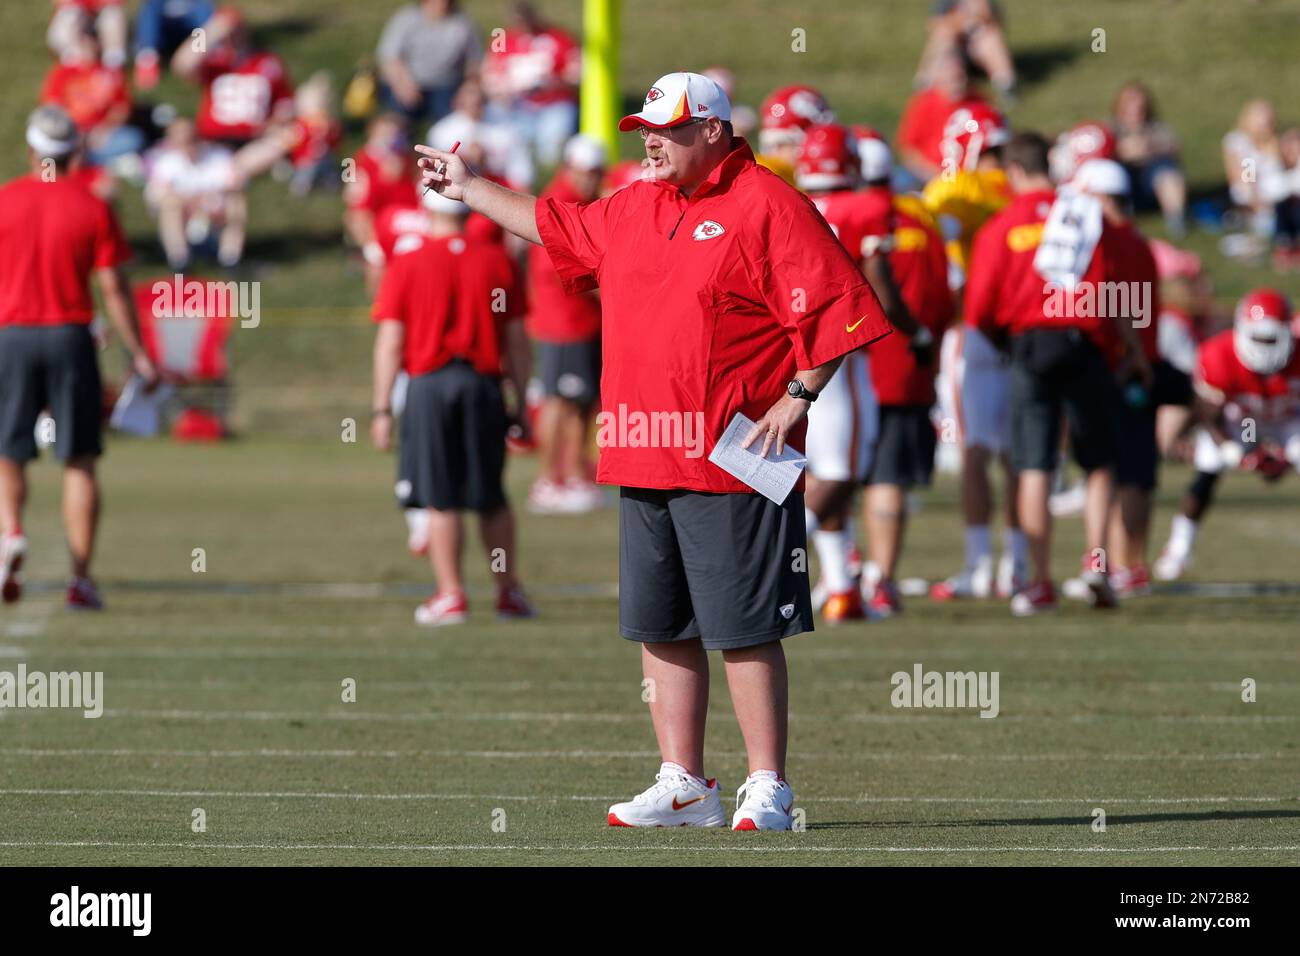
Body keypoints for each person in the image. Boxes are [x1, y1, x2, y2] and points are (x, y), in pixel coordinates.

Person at [416, 71, 890, 830]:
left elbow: (838, 307)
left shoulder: (770, 203)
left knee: (744, 627)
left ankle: (768, 783)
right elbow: (554, 226)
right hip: (642, 450)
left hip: (732, 455)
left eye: (666, 131)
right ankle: (684, 780)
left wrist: (796, 398)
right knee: (660, 624)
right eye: (645, 130)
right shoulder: (635, 204)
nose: (651, 143)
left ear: (712, 131)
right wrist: (469, 188)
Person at [964, 132, 1150, 616]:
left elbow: (979, 306)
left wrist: (1009, 341)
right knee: (1099, 460)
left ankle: (1039, 579)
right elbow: (1112, 290)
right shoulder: (1088, 213)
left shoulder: (1001, 224)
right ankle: (1095, 561)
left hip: (1030, 345)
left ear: (1015, 173)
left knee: (1033, 464)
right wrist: (1132, 351)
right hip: (1084, 343)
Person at [0, 107, 159, 610]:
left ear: (32, 152)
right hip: (71, 336)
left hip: (13, 336)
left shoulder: (5, 201)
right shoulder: (92, 206)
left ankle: (11, 533)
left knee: (9, 451)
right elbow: (113, 288)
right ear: (75, 154)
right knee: (80, 459)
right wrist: (139, 353)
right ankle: (81, 579)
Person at [369, 187, 534, 625]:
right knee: (492, 497)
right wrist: (519, 400)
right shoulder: (496, 258)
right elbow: (517, 341)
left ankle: (451, 594)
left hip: (429, 384)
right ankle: (507, 591)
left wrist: (381, 408)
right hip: (482, 384)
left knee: (440, 498)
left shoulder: (407, 261)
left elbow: (390, 342)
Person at [922, 104, 1026, 601]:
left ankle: (982, 566)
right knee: (1014, 454)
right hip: (1019, 331)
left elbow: (941, 264)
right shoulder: (1018, 192)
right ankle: (1019, 566)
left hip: (973, 330)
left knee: (978, 452)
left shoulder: (950, 193)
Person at [1062, 159, 1165, 600]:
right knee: (1134, 469)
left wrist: (1130, 354)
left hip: (1117, 362)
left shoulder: (1112, 240)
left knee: (1112, 466)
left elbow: (1114, 304)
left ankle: (1111, 563)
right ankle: (1130, 564)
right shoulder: (1139, 241)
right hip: (1137, 360)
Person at [1155, 289, 1299, 581]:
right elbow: (1209, 412)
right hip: (1242, 420)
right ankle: (1178, 549)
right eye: (1258, 337)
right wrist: (1237, 449)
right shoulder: (1218, 354)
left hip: (1288, 419)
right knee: (1211, 465)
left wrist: (1286, 455)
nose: (1264, 346)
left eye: (1271, 338)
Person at [526, 135, 606, 515]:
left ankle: (574, 476)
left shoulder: (584, 201)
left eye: (596, 172)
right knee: (561, 401)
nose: (592, 179)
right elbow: (564, 269)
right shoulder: (561, 201)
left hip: (581, 321)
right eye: (586, 172)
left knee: (580, 401)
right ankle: (551, 480)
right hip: (565, 321)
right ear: (570, 167)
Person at [172, 6, 295, 149]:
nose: (233, 35)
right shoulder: (215, 61)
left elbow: (285, 105)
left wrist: (272, 125)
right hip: (214, 139)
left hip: (254, 138)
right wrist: (212, 30)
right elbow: (182, 65)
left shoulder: (268, 63)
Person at [481, 2, 580, 167]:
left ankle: (549, 171)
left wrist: (551, 83)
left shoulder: (558, 38)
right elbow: (488, 77)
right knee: (496, 120)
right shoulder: (501, 38)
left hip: (553, 104)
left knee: (552, 147)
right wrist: (504, 89)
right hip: (516, 105)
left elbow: (576, 77)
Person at [144, 117, 244, 269]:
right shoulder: (165, 162)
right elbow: (156, 195)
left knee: (235, 201)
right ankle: (180, 260)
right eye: (182, 141)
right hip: (184, 214)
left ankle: (230, 258)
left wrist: (207, 203)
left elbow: (235, 184)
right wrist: (193, 202)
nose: (188, 146)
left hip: (216, 213)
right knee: (170, 205)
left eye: (191, 139)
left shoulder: (220, 157)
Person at [39, 27, 143, 167]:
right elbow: (52, 107)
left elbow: (121, 109)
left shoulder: (112, 73)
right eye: (83, 44)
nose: (87, 48)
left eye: (91, 43)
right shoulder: (63, 72)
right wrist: (71, 131)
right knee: (51, 144)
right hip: (70, 131)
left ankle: (80, 162)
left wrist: (105, 129)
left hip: (101, 134)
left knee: (133, 139)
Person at [376, 0, 482, 127]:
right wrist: (402, 83)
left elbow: (474, 59)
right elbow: (389, 57)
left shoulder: (463, 22)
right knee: (398, 117)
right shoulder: (406, 19)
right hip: (409, 80)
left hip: (445, 83)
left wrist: (470, 86)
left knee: (449, 121)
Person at [896, 48, 986, 187]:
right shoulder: (923, 104)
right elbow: (908, 150)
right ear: (939, 79)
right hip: (927, 174)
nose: (958, 85)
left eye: (960, 78)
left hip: (967, 176)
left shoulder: (978, 102)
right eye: (952, 79)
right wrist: (935, 175)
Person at [428, 78, 535, 191]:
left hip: (498, 185)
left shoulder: (505, 127)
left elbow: (520, 172)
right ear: (458, 102)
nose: (474, 106)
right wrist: (466, 158)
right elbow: (436, 168)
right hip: (457, 186)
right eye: (469, 101)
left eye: (478, 102)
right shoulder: (443, 130)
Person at [1111, 81, 1187, 236]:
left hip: (1152, 186)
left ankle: (1177, 219)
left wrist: (1148, 149)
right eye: (1131, 105)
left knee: (1167, 171)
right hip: (1123, 187)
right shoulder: (1110, 130)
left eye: (1140, 106)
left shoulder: (1157, 128)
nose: (1136, 110)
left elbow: (1173, 147)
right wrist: (1121, 152)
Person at [916, 0, 1015, 104]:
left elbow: (995, 22)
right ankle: (926, 86)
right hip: (955, 52)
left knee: (991, 37)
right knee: (943, 36)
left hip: (979, 50)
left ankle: (1005, 84)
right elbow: (933, 24)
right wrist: (958, 23)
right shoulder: (946, 3)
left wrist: (982, 12)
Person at [132, 0, 215, 90]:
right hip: (164, 31)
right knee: (150, 8)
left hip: (190, 32)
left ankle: (207, 57)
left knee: (203, 8)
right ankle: (147, 58)